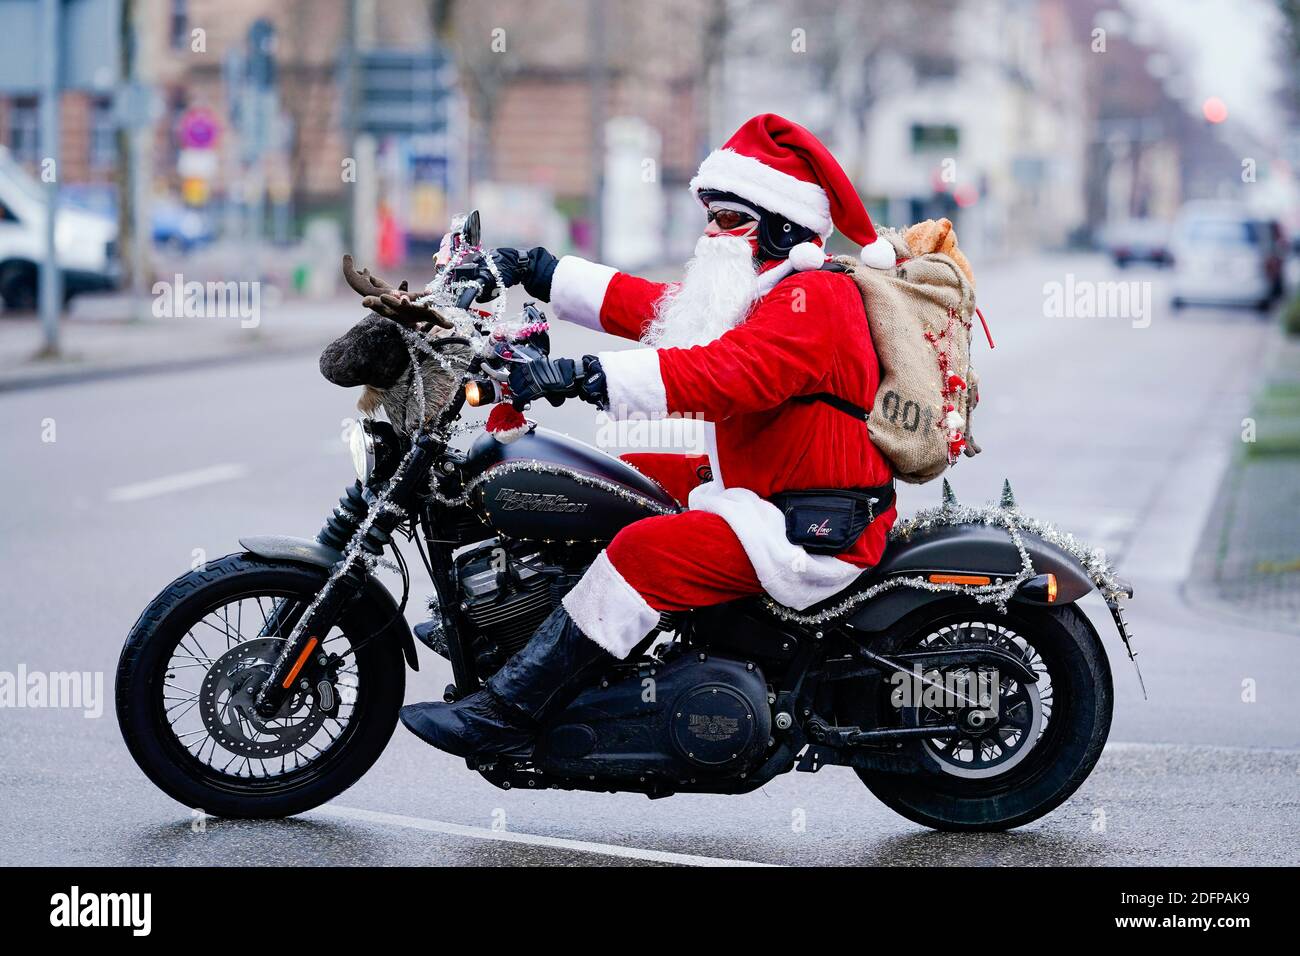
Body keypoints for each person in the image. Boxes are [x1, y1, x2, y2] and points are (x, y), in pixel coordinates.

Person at [399, 114, 898, 757]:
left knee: (642, 553)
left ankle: (508, 713)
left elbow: (728, 373)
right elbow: (663, 309)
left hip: (809, 522)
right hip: (772, 489)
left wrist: (581, 374)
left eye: (727, 219)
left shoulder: (814, 301)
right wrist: (533, 268)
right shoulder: (772, 289)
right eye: (709, 216)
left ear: (780, 226)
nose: (710, 233)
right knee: (606, 474)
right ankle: (511, 622)